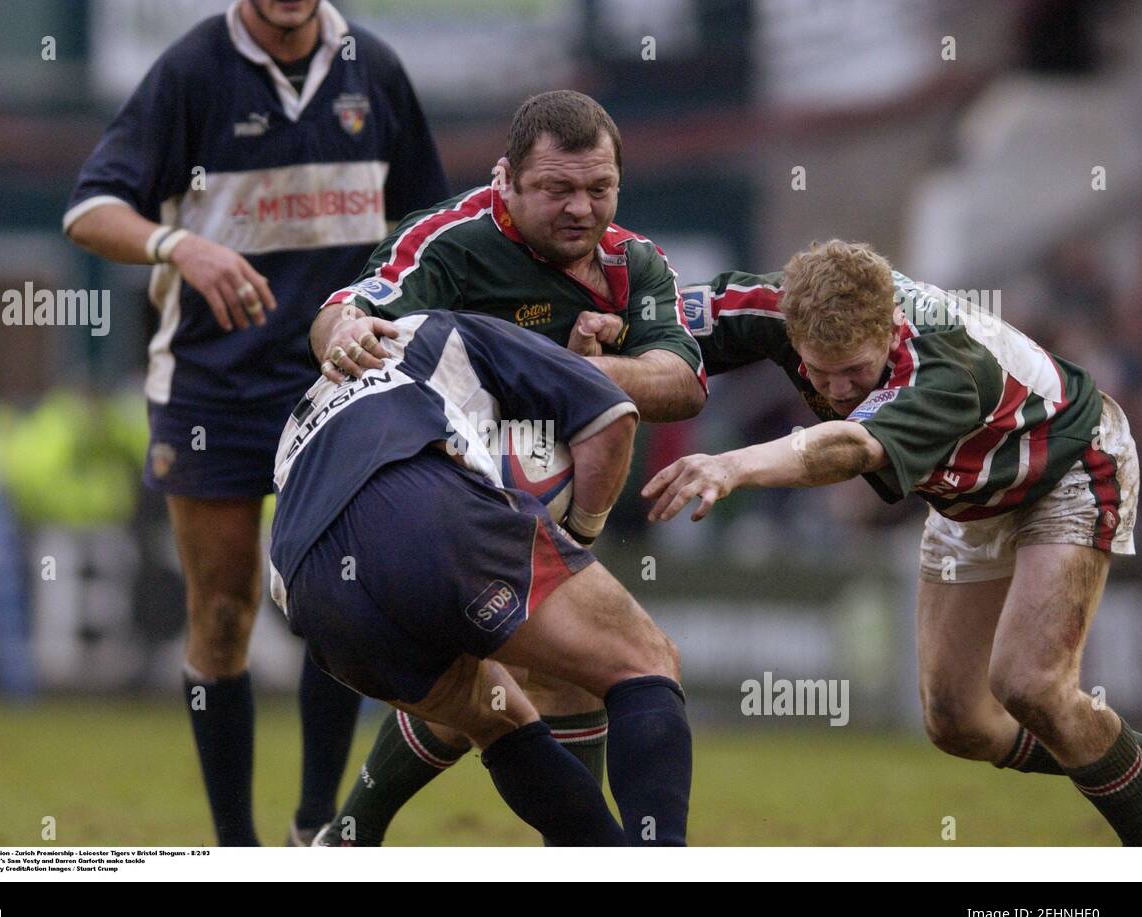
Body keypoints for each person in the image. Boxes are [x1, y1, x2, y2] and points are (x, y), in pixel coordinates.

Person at [63, 0, 447, 846]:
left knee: (344, 603)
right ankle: (234, 848)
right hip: (213, 387)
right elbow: (89, 209)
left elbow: (432, 229)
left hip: (341, 375)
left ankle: (316, 832)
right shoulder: (193, 70)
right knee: (226, 612)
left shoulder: (373, 71)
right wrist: (179, 247)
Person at [302, 89, 707, 845]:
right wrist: (343, 335)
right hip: (439, 488)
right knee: (614, 661)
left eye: (600, 189)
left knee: (507, 689)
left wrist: (587, 370)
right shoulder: (451, 243)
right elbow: (346, 310)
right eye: (556, 189)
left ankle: (347, 837)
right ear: (506, 180)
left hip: (517, 499)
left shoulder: (634, 264)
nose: (581, 208)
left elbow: (680, 383)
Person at [646, 239, 1142, 845]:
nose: (837, 390)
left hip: (1065, 465)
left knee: (1031, 685)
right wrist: (594, 331)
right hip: (969, 496)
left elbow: (851, 448)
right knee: (957, 723)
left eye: (855, 372)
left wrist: (733, 466)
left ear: (888, 328)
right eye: (819, 371)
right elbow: (659, 312)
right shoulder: (784, 304)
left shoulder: (945, 363)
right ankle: (1129, 769)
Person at [269, 308, 691, 846]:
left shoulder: (314, 403)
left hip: (305, 585)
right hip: (416, 501)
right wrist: (574, 544)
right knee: (645, 661)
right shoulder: (453, 328)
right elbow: (612, 417)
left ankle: (344, 841)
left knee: (499, 720)